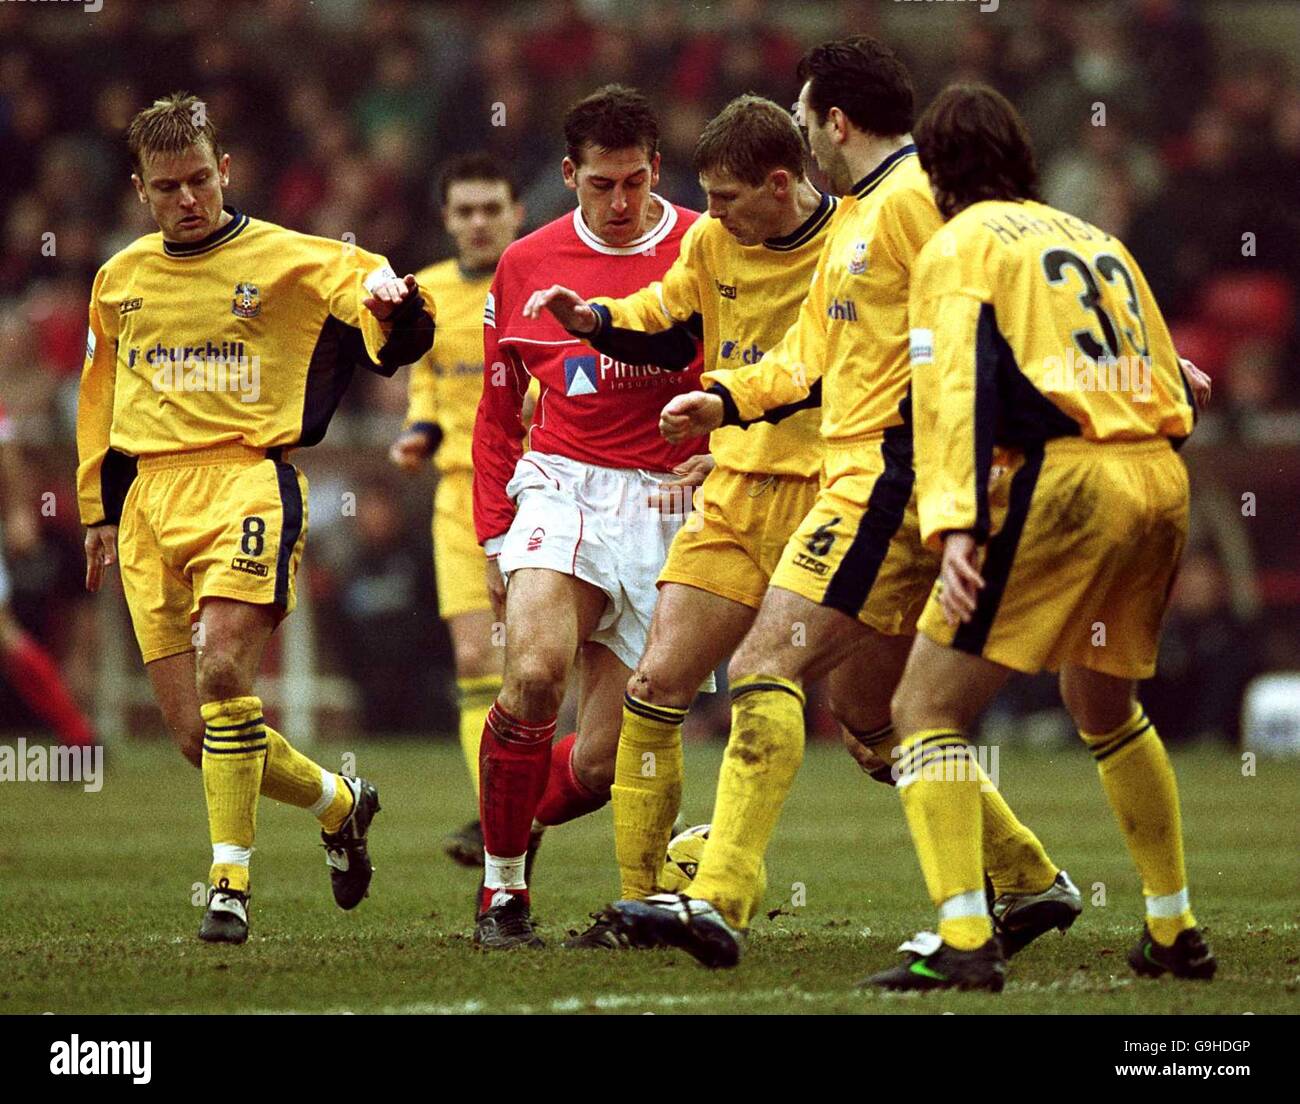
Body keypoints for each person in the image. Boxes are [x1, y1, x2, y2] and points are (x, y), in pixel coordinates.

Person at [605, 37, 1080, 968]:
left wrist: (1088, 362)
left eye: (806, 112)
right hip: (865, 476)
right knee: (877, 720)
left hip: (890, 471)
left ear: (835, 120)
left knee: (764, 666)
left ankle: (720, 894)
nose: (803, 132)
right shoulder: (859, 217)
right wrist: (727, 399)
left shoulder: (912, 201)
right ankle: (1027, 878)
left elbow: (1005, 286)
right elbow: (816, 358)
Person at [863, 83, 1215, 991]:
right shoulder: (1094, 237)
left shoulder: (959, 245)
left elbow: (953, 390)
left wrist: (954, 527)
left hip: (1072, 476)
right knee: (1103, 705)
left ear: (936, 172)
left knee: (924, 710)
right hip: (1159, 473)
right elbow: (1181, 383)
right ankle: (1174, 929)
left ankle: (965, 940)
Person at [76, 93, 434, 944]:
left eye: (201, 179)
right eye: (169, 188)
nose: (189, 199)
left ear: (226, 170)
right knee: (200, 739)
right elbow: (98, 400)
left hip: (246, 482)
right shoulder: (118, 279)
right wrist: (96, 506)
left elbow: (388, 321)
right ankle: (340, 803)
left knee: (226, 672)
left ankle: (229, 882)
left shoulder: (294, 260)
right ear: (141, 190)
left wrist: (399, 309)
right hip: (147, 503)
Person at [471, 84, 709, 949]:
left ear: (658, 172)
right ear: (569, 174)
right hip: (562, 484)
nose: (619, 202)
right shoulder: (527, 262)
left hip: (669, 501)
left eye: (635, 183)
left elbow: (763, 371)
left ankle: (514, 818)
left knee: (607, 762)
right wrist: (495, 533)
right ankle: (503, 895)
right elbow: (499, 414)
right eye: (601, 184)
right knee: (533, 673)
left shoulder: (707, 249)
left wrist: (720, 449)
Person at [390, 154, 524, 866]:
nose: (477, 222)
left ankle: (545, 795)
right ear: (446, 218)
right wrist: (419, 433)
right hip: (459, 495)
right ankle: (495, 816)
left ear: (515, 212)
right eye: (464, 210)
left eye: (490, 208)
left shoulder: (534, 282)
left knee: (534, 665)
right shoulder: (429, 294)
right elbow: (429, 386)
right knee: (476, 655)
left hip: (537, 489)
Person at [0, 399, 97, 750]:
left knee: (6, 634)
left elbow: (5, 447)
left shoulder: (61, 529)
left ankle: (78, 735)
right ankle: (78, 735)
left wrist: (18, 512)